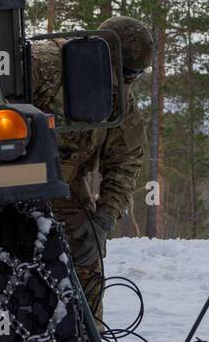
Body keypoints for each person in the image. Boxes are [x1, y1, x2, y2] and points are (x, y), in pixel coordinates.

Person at [31, 16, 150, 325]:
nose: (125, 82)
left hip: (61, 185)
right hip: (1, 181)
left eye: (132, 76)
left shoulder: (119, 101)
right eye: (123, 73)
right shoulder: (42, 64)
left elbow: (126, 161)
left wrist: (104, 220)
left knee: (87, 255)